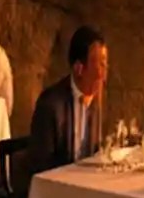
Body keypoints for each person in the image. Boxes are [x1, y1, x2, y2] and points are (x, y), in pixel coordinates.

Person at [28, 25, 108, 176]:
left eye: (105, 64)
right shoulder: (51, 105)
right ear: (79, 68)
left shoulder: (96, 101)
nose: (104, 73)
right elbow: (42, 166)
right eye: (100, 64)